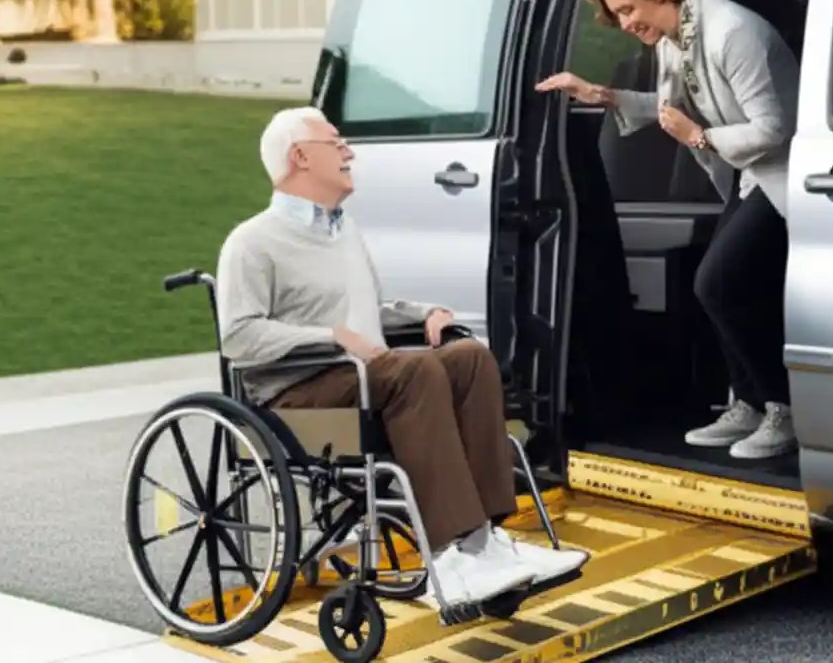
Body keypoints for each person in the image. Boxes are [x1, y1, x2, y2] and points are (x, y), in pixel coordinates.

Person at [214, 106, 588, 609]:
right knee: (414, 369)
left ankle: (485, 542)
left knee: (469, 357)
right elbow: (238, 337)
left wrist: (423, 311)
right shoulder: (252, 242)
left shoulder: (342, 231)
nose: (349, 151)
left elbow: (365, 313)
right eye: (336, 142)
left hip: (368, 378)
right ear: (300, 157)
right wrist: (333, 336)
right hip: (297, 397)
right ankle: (449, 552)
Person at [535, 0, 799, 459]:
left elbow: (773, 129)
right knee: (715, 285)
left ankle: (782, 409)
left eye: (628, 9)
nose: (624, 23)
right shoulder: (676, 37)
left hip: (788, 175)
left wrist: (700, 138)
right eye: (616, 15)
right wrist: (600, 94)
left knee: (718, 283)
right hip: (750, 176)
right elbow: (667, 110)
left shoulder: (731, 32)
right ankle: (747, 403)